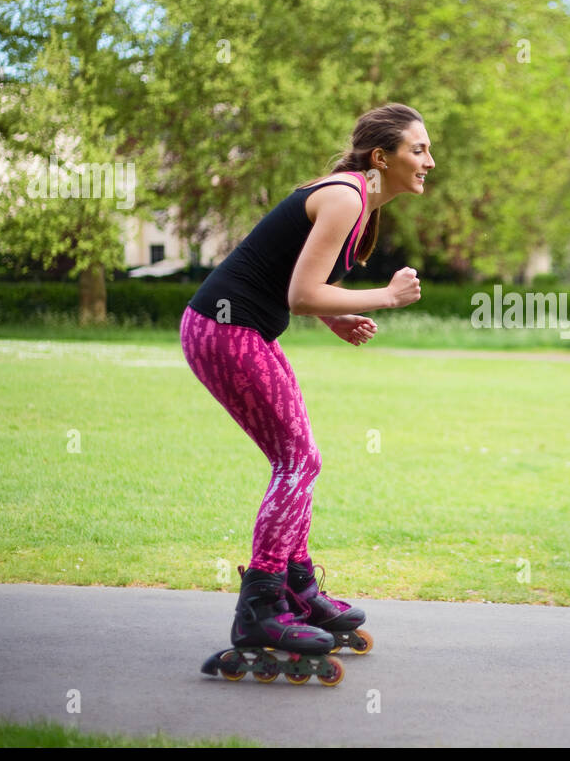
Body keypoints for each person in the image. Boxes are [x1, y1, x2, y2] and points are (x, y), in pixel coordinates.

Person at [180, 103, 431, 657]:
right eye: (418, 150)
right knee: (297, 460)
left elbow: (289, 274)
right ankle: (262, 608)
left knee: (300, 458)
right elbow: (300, 294)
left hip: (241, 329)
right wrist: (385, 296)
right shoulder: (346, 197)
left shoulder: (355, 200)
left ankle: (295, 586)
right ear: (381, 156)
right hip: (225, 329)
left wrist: (333, 315)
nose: (428, 161)